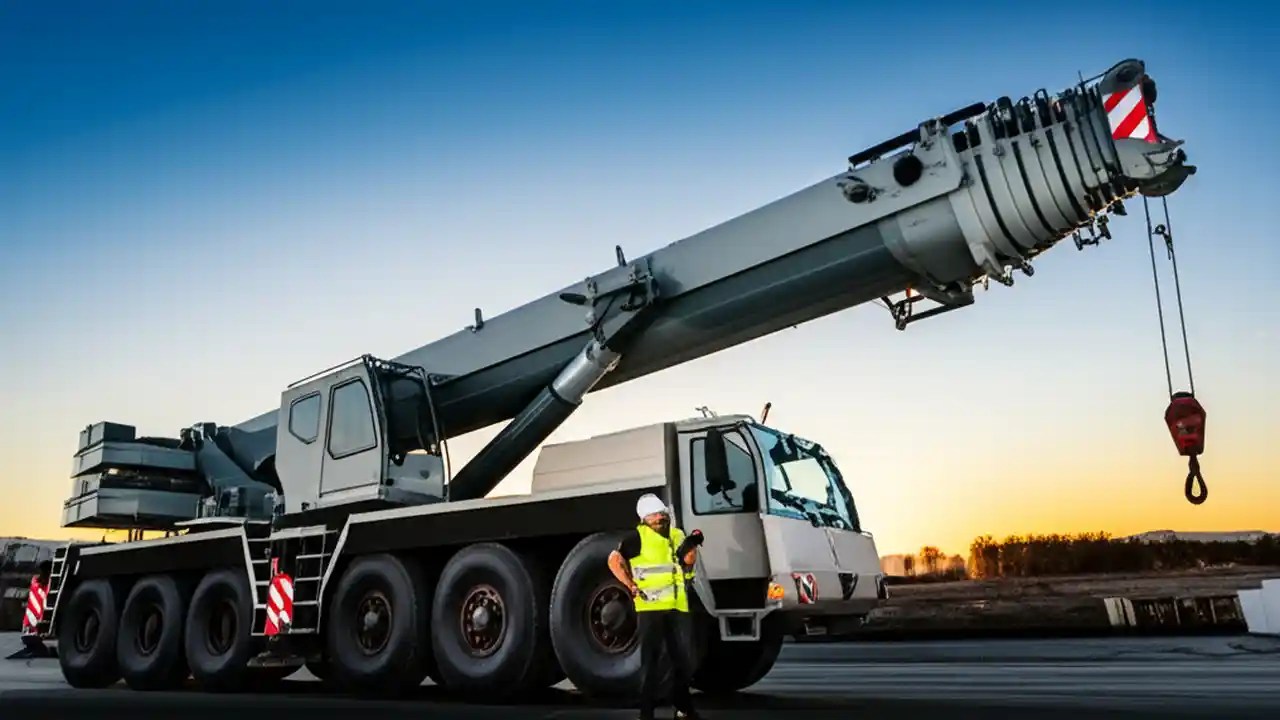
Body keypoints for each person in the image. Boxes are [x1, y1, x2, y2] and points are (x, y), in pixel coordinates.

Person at [607, 492, 705, 720]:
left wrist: (691, 552)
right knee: (653, 663)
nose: (661, 519)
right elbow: (614, 560)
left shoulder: (676, 535)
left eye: (662, 516)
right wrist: (630, 585)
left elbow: (688, 558)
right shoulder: (637, 539)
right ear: (644, 519)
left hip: (677, 607)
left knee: (682, 660)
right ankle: (648, 713)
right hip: (650, 609)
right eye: (656, 517)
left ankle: (682, 707)